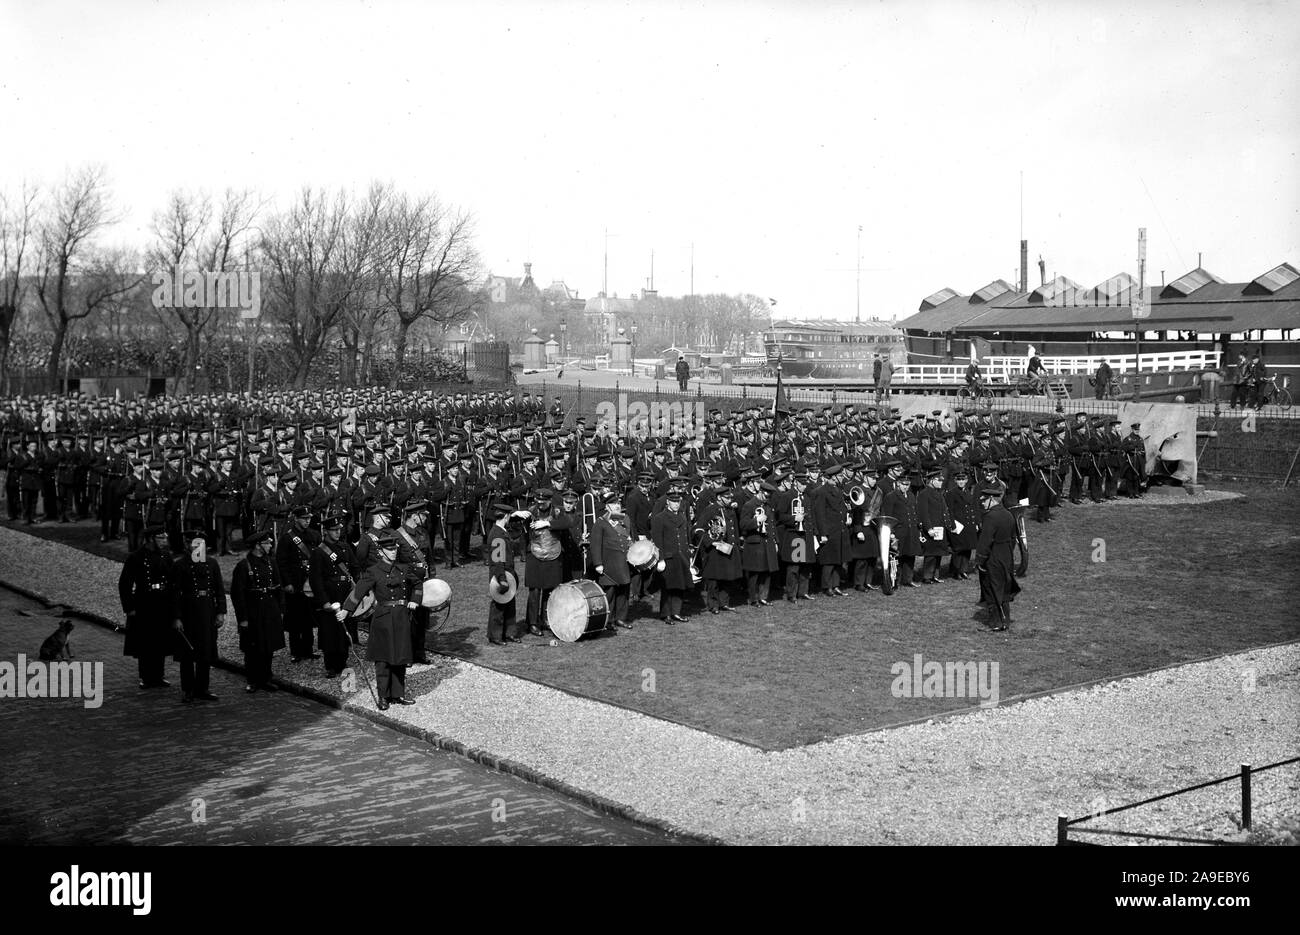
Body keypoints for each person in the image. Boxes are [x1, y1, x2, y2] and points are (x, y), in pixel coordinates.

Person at [341, 531, 422, 711]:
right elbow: (358, 592)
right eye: (390, 549)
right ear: (381, 552)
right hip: (383, 619)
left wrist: (415, 601)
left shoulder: (404, 568)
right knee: (383, 660)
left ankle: (398, 694)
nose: (393, 552)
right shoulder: (373, 571)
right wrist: (346, 610)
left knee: (400, 657)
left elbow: (417, 584)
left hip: (401, 617)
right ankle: (383, 696)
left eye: (395, 549)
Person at [170, 527, 225, 703]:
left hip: (207, 611)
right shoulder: (179, 565)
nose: (197, 547)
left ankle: (203, 688)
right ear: (188, 546)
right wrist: (176, 617)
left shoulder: (212, 563)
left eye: (200, 544)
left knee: (205, 652)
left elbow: (219, 590)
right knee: (188, 653)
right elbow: (175, 593)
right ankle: (188, 689)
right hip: (188, 612)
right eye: (194, 544)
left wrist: (221, 612)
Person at [118, 525, 175, 690]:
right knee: (145, 642)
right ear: (151, 538)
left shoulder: (166, 556)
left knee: (161, 640)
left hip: (162, 602)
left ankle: (159, 675)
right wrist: (129, 608)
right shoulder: (136, 557)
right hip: (144, 602)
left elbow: (172, 580)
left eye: (165, 537)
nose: (165, 541)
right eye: (161, 538)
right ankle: (146, 676)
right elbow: (125, 584)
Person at [229, 530, 286, 692]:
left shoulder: (271, 562)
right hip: (253, 611)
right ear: (257, 545)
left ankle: (266, 677)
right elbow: (237, 594)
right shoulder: (243, 565)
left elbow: (278, 586)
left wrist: (280, 608)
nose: (270, 545)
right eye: (267, 543)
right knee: (253, 648)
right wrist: (243, 618)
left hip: (269, 609)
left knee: (268, 646)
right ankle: (252, 680)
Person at [310, 513, 360, 677]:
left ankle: (343, 660)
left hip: (346, 594)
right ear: (326, 531)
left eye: (339, 529)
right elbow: (315, 580)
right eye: (334, 530)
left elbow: (354, 568)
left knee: (345, 630)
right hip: (330, 596)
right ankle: (331, 664)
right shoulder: (319, 552)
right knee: (330, 632)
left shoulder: (345, 547)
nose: (338, 533)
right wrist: (323, 601)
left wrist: (355, 589)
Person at [975, 485, 1021, 631]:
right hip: (1006, 556)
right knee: (1004, 589)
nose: (982, 503)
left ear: (991, 500)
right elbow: (1014, 537)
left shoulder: (990, 517)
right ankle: (1005, 620)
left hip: (993, 558)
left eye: (984, 500)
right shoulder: (1008, 514)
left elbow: (985, 541)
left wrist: (980, 560)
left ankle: (996, 622)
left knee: (992, 589)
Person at [590, 492, 635, 628]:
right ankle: (608, 620)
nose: (617, 506)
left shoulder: (625, 519)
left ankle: (621, 618)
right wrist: (598, 563)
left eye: (618, 503)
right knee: (609, 593)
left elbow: (630, 537)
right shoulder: (601, 522)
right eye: (613, 504)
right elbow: (595, 544)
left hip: (624, 561)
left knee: (624, 591)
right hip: (609, 562)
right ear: (607, 507)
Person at [486, 503, 527, 645]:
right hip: (501, 575)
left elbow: (515, 532)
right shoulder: (498, 535)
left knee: (510, 604)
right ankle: (495, 635)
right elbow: (497, 561)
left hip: (507, 573)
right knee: (499, 605)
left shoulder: (500, 530)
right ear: (506, 516)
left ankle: (510, 632)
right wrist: (502, 579)